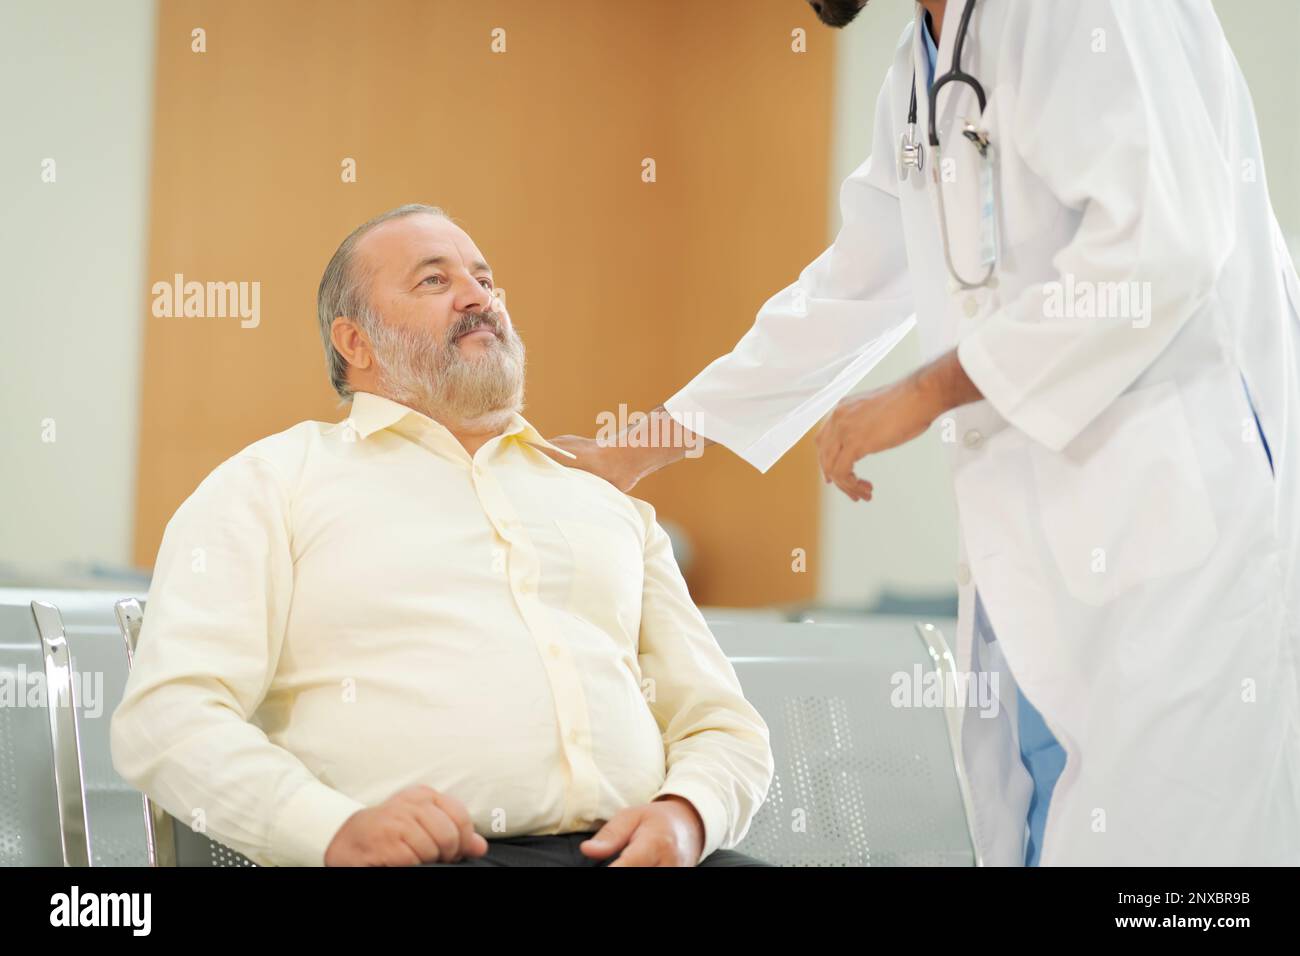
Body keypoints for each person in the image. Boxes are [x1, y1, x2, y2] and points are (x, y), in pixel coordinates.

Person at [544, 0, 1300, 865]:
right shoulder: (923, 70)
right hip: (1044, 567)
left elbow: (1160, 247)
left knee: (1183, 881)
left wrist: (927, 393)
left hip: (1182, 552)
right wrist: (641, 446)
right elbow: (856, 282)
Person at [110, 204, 775, 868]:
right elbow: (167, 718)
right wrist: (335, 831)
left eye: (485, 280)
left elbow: (723, 724)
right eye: (434, 281)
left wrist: (689, 815)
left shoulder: (602, 498)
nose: (478, 297)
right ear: (355, 342)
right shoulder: (270, 484)